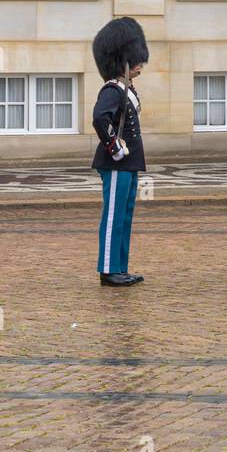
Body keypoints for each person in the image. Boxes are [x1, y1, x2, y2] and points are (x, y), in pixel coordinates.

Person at [91, 16, 149, 287]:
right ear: (120, 60)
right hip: (116, 162)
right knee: (114, 215)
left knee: (124, 216)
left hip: (128, 163)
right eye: (134, 58)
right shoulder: (112, 90)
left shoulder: (126, 89)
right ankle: (108, 268)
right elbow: (100, 118)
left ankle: (120, 267)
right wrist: (115, 147)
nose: (139, 64)